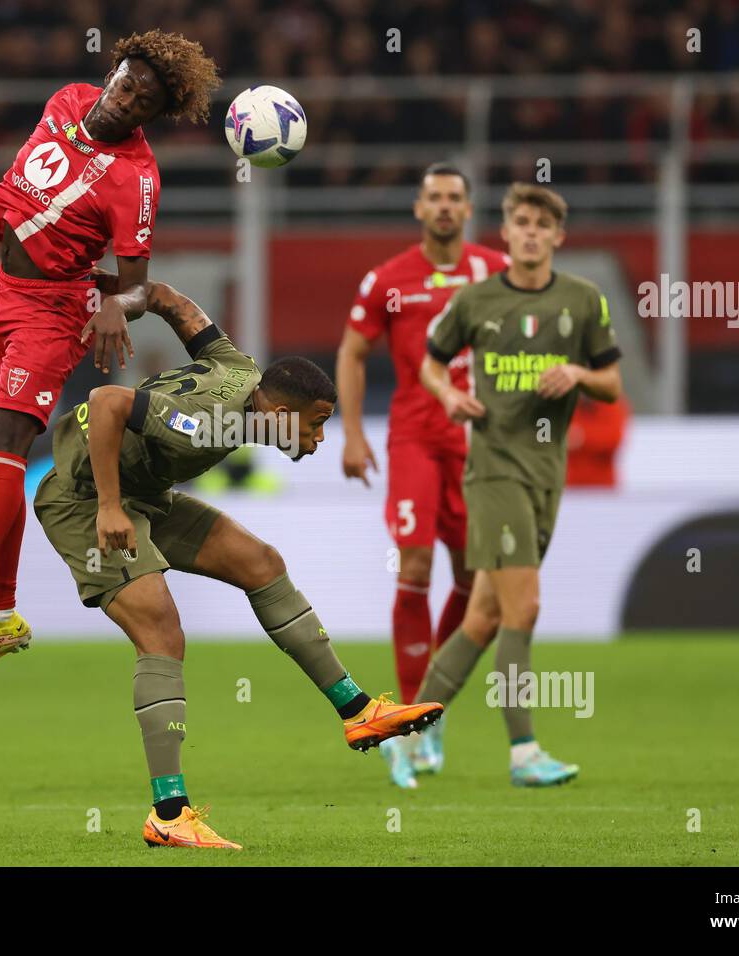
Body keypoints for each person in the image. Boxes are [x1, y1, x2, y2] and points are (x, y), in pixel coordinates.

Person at [35, 280, 443, 849]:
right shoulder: (205, 423)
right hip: (84, 501)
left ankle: (357, 711)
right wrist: (108, 506)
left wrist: (119, 304)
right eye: (316, 423)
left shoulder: (240, 369)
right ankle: (169, 814)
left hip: (144, 495)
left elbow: (168, 299)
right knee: (161, 632)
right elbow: (107, 403)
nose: (317, 439)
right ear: (280, 412)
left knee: (261, 562)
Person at [0, 31, 221, 681]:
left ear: (153, 116)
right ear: (113, 72)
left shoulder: (137, 179)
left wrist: (115, 306)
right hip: (3, 297)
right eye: (126, 84)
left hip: (53, 312)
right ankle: (0, 617)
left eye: (144, 101)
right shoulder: (66, 99)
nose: (126, 101)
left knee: (9, 443)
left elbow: (136, 287)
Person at [416, 183, 624, 787]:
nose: (531, 233)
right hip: (494, 470)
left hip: (546, 475)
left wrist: (578, 373)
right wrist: (448, 394)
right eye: (522, 223)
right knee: (524, 607)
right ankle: (524, 752)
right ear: (505, 233)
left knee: (483, 617)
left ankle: (411, 728)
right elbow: (431, 363)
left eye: (542, 225)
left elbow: (612, 383)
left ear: (558, 236)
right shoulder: (476, 300)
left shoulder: (583, 300)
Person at [335, 162, 508, 789]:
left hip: (478, 440)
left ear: (468, 208)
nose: (443, 206)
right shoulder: (388, 280)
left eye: (454, 197)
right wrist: (353, 434)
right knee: (414, 562)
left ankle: (435, 706)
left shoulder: (496, 271)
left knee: (476, 579)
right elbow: (352, 352)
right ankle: (410, 720)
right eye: (433, 197)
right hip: (415, 436)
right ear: (418, 208)